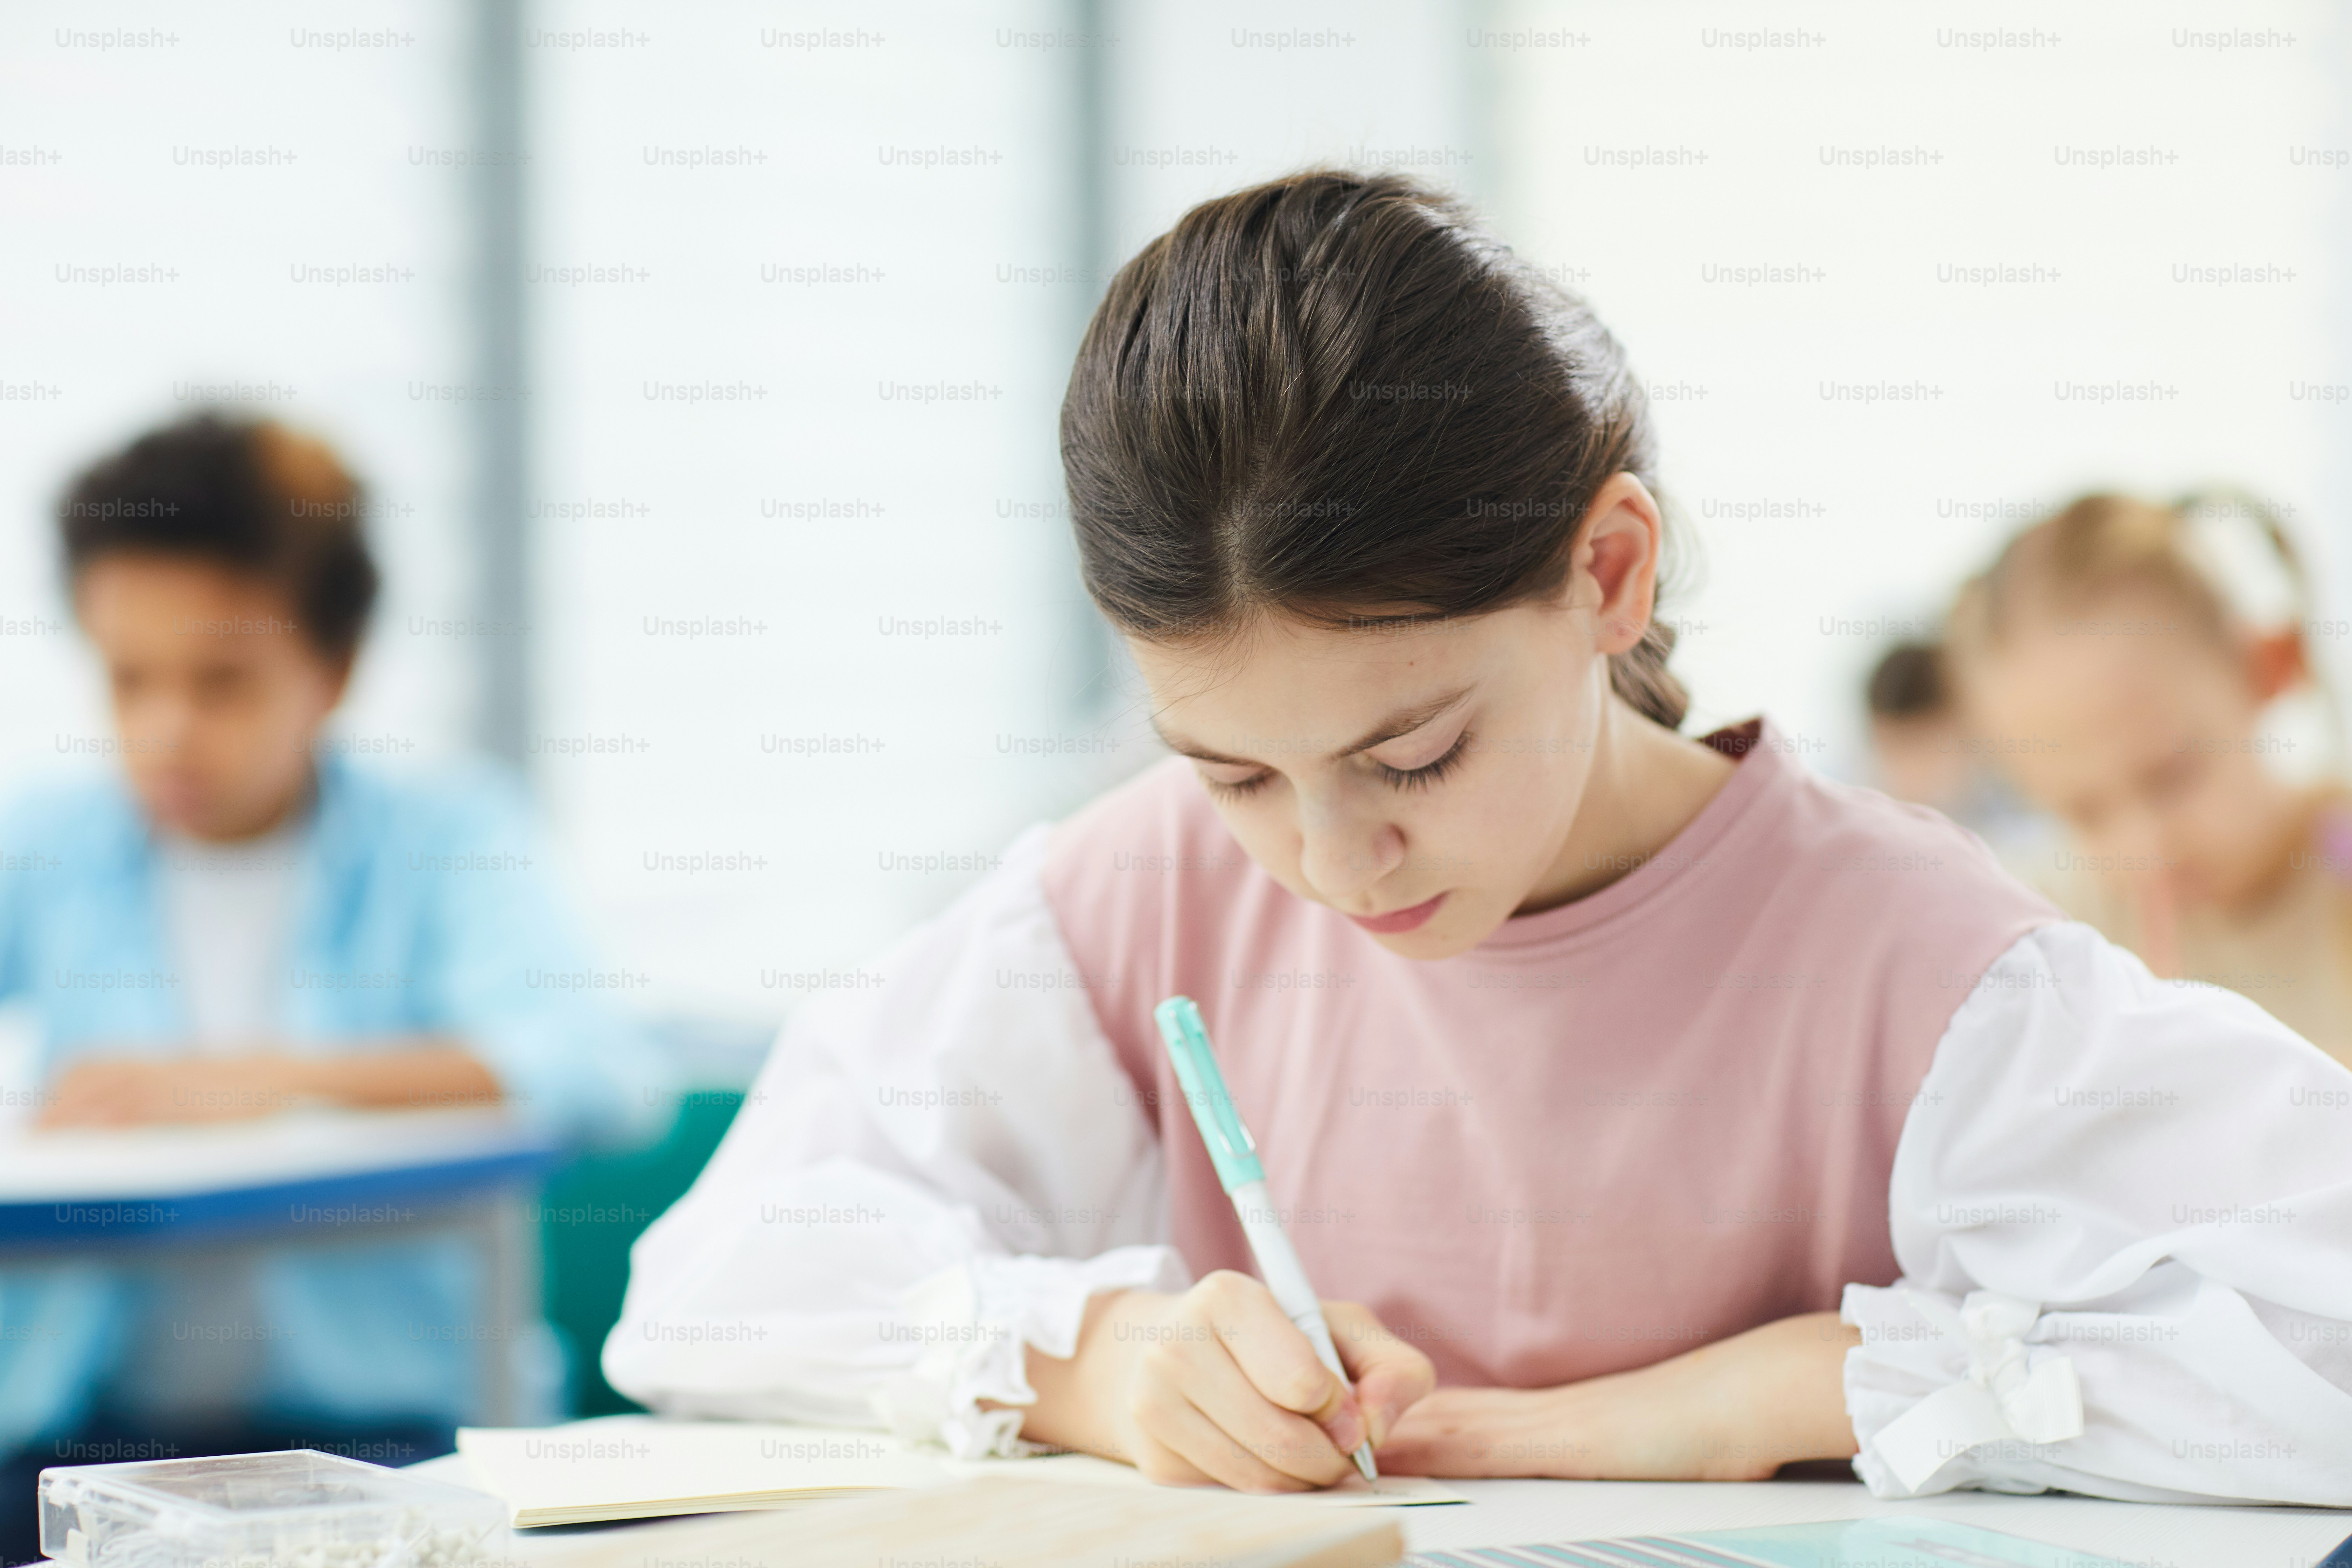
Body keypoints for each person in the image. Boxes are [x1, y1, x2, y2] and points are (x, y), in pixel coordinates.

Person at [606, 174, 2352, 1505]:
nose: (1327, 863)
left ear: (1607, 575)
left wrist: (1775, 1392)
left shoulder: (1907, 961)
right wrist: (1102, 1358)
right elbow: (704, 1289)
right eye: (1233, 773)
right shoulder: (1139, 889)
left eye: (1416, 756)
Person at [0, 414, 668, 1546]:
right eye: (128, 680)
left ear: (333, 668)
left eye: (223, 683)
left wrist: (271, 1082)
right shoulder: (45, 846)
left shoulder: (448, 835)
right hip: (79, 1443)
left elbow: (599, 1072)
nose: (166, 730)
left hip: (387, 1443)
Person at [1944, 492, 2352, 1066]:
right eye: (2085, 810)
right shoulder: (2048, 937)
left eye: (2172, 776)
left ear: (2271, 668)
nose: (2145, 847)